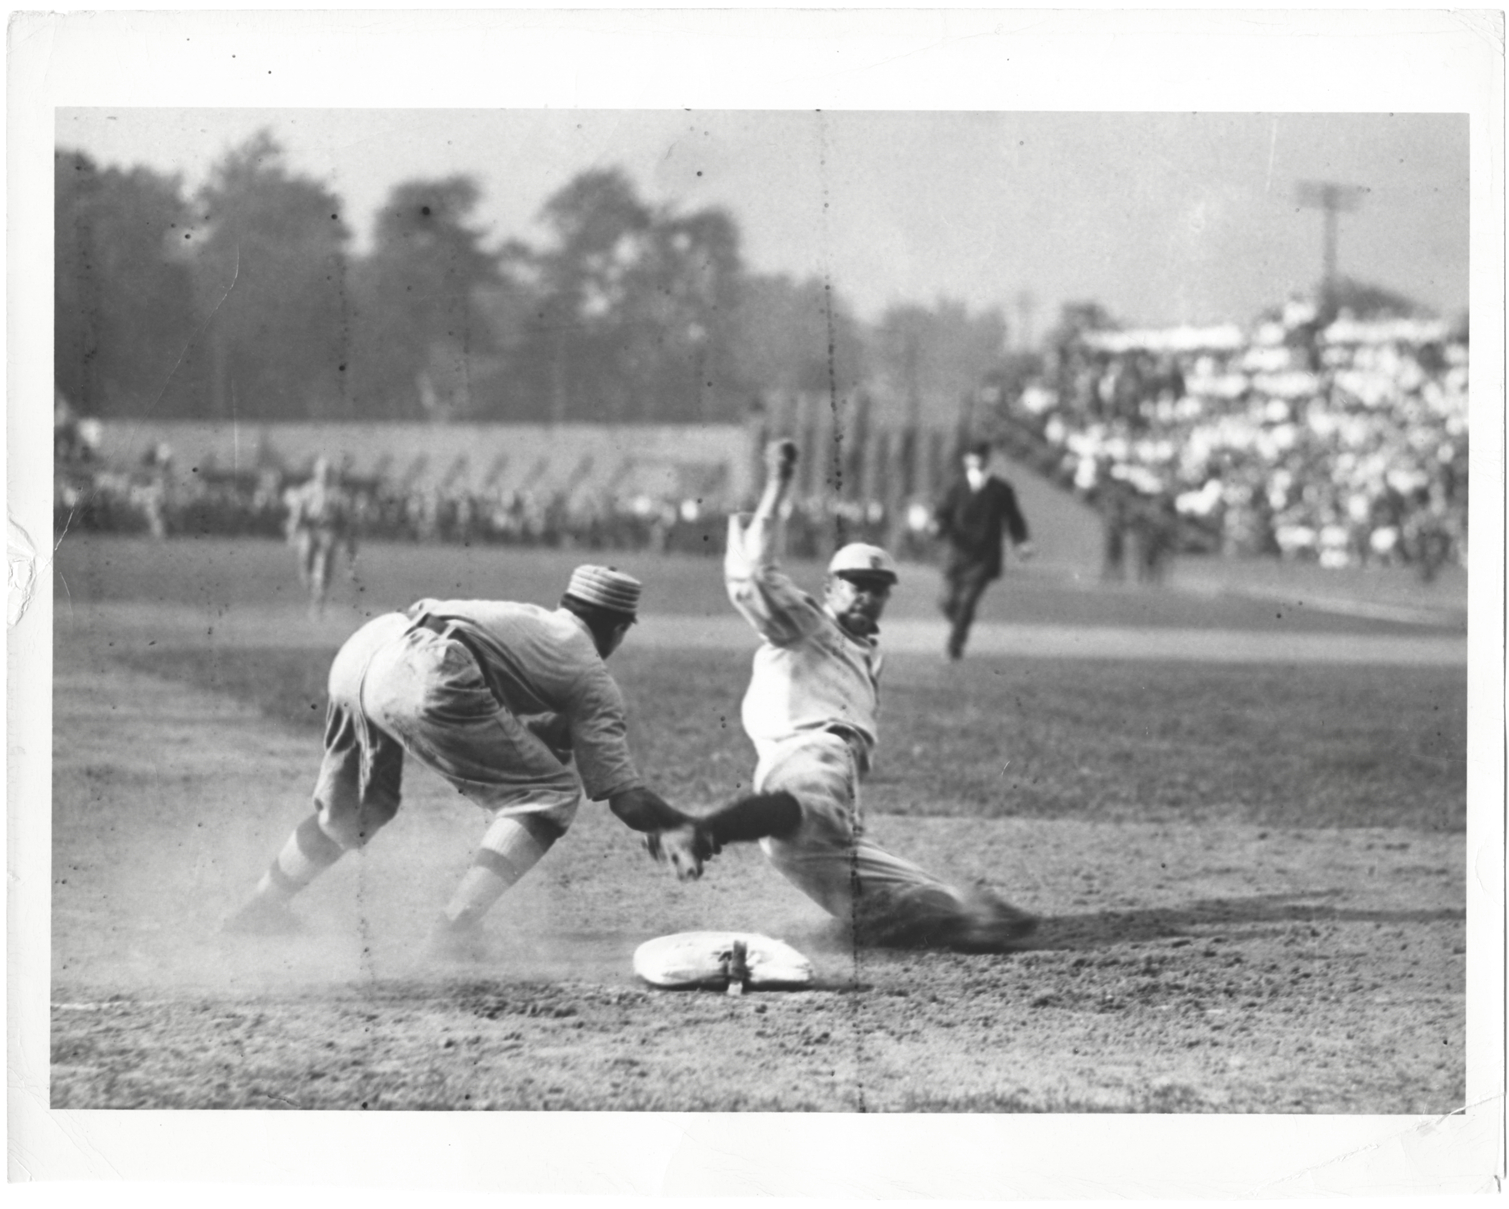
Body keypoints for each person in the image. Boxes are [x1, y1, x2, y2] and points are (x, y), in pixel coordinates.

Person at [650, 441, 1038, 951]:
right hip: (808, 760)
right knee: (808, 807)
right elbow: (751, 578)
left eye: (877, 588)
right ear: (830, 587)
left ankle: (953, 916)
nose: (866, 595)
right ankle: (698, 832)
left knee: (935, 907)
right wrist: (778, 484)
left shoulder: (869, 652)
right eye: (855, 584)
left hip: (825, 816)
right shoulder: (808, 625)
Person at [225, 564, 699, 958]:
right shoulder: (590, 672)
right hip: (428, 666)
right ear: (618, 628)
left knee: (355, 812)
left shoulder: (531, 622)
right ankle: (455, 929)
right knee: (549, 794)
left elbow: (503, 715)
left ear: (569, 604)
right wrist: (683, 823)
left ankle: (262, 907)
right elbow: (627, 801)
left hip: (367, 646)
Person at [932, 441, 1034, 661]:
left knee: (967, 602)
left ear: (987, 459)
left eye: (979, 455)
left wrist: (1022, 542)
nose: (975, 460)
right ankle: (962, 621)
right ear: (965, 459)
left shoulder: (1001, 489)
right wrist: (936, 526)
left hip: (984, 558)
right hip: (957, 554)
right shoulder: (955, 487)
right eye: (971, 456)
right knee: (946, 602)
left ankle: (953, 647)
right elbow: (942, 515)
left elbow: (1014, 519)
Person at [285, 456, 357, 617]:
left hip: (328, 531)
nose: (324, 475)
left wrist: (348, 540)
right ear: (316, 473)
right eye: (321, 471)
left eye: (327, 472)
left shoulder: (337, 493)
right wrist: (293, 531)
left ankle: (318, 601)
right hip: (310, 530)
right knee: (305, 566)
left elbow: (345, 519)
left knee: (324, 567)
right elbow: (298, 513)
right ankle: (313, 592)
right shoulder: (307, 490)